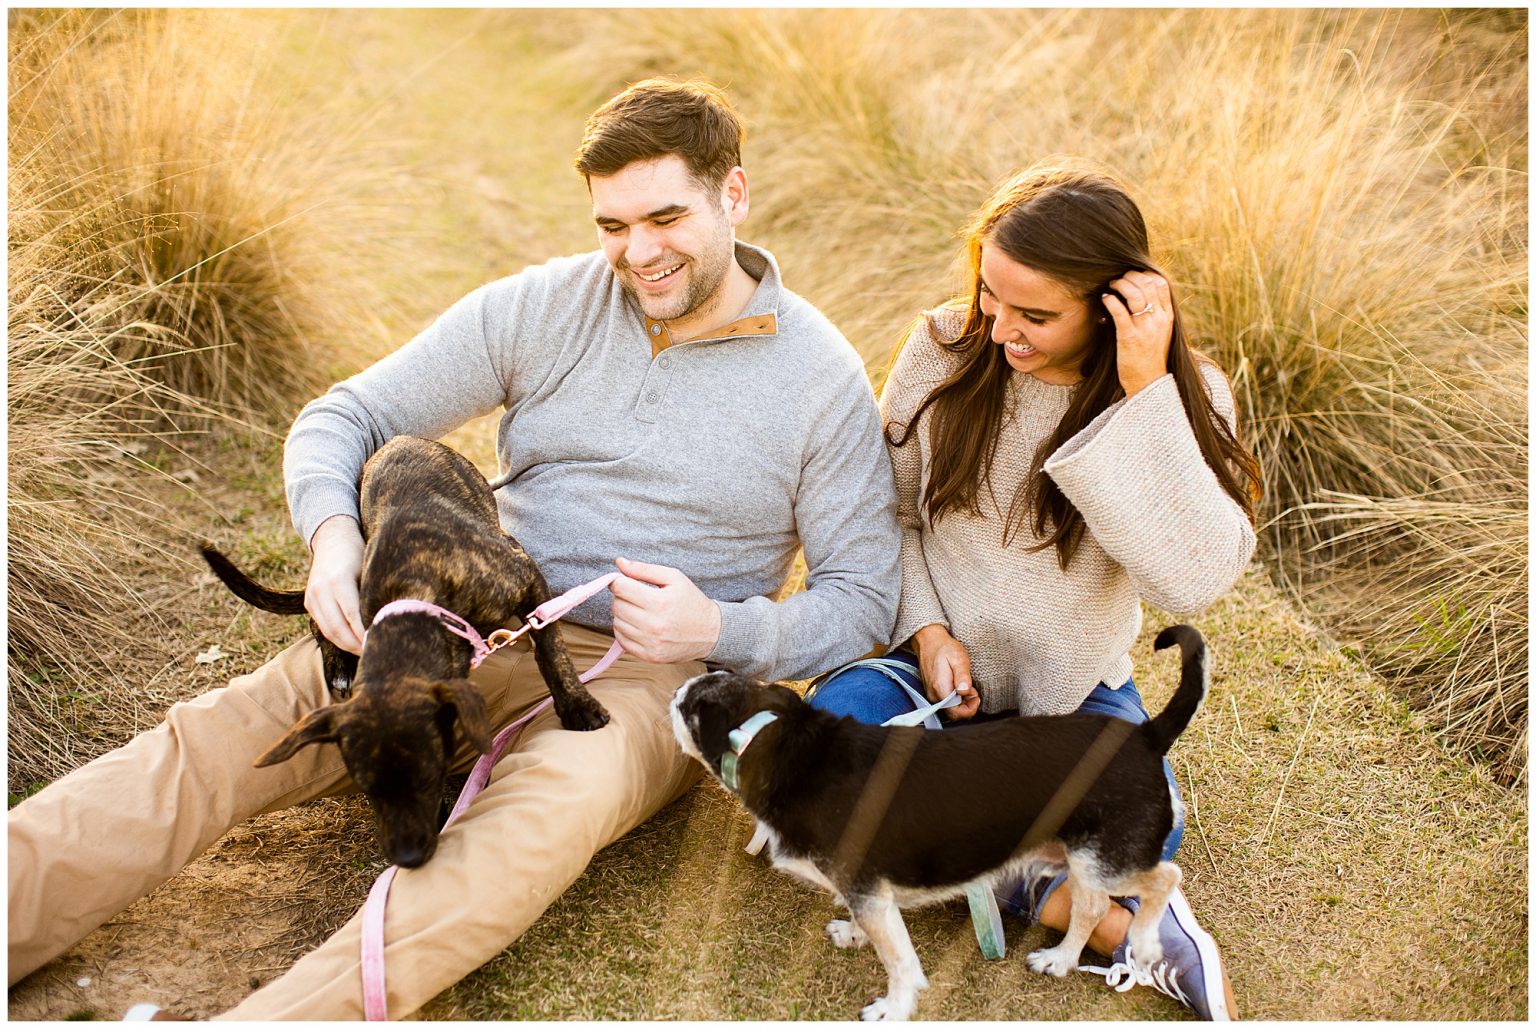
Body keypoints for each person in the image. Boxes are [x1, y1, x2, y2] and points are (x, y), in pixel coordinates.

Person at [7, 79, 901, 1019]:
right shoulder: (546, 305)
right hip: (456, 617)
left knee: (533, 826)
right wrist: (333, 539)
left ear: (735, 194)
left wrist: (719, 622)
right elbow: (344, 416)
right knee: (211, 741)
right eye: (612, 224)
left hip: (648, 677)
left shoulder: (822, 380)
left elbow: (860, 600)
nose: (638, 254)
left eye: (666, 217)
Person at [805, 161, 1261, 1021]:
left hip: (1073, 692)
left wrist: (1142, 394)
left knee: (1148, 823)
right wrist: (929, 631)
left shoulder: (1184, 398)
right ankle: (1084, 909)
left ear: (1115, 305)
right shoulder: (944, 345)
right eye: (990, 293)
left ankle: (992, 870)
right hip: (923, 673)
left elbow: (1191, 579)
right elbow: (888, 516)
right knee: (817, 754)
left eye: (1035, 314)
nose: (1000, 327)